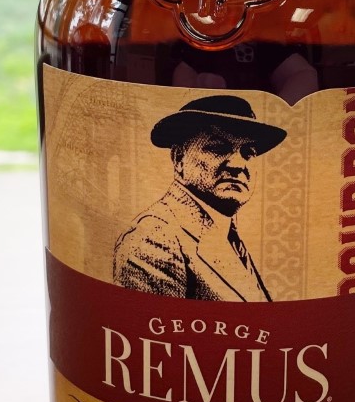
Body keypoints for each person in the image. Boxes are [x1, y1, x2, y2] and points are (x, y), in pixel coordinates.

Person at [113, 94, 286, 301]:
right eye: (218, 148)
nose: (237, 164)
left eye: (248, 153)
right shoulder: (154, 236)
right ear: (179, 159)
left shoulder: (229, 238)